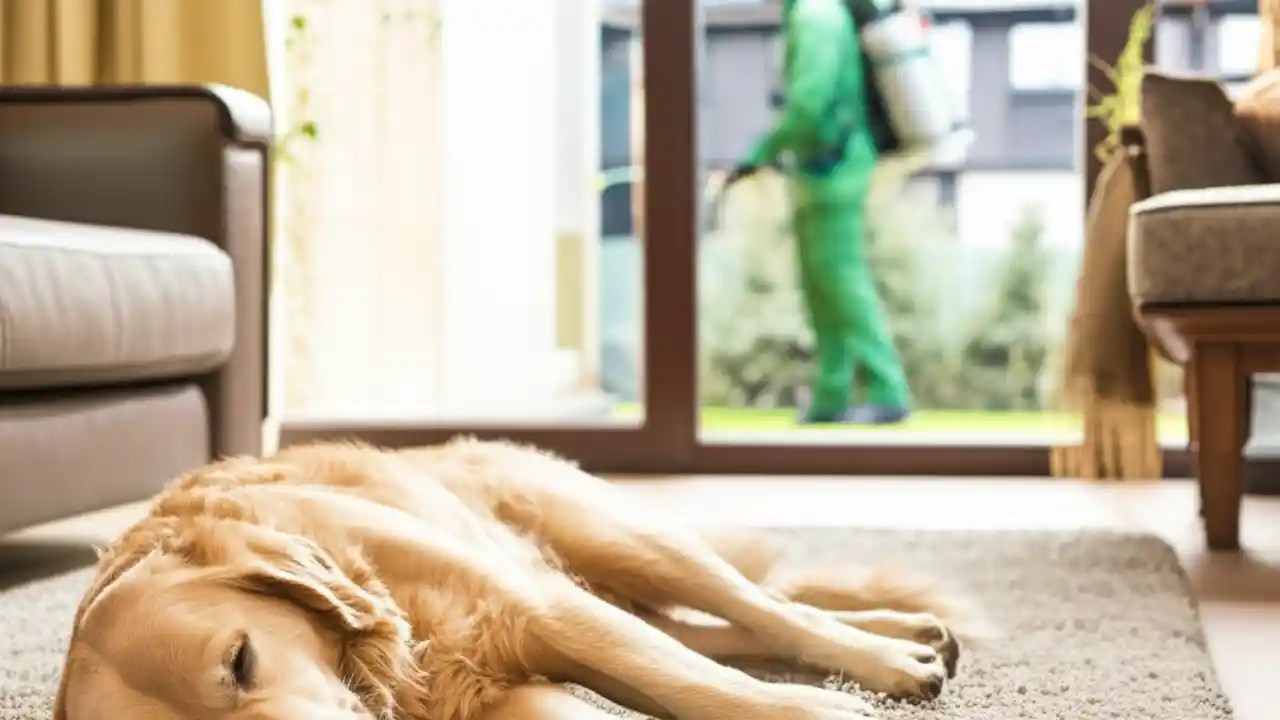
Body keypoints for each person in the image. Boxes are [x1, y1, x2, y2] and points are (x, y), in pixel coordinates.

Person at [727, 0, 911, 425]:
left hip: (835, 168)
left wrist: (760, 152)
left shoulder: (816, 15)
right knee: (820, 283)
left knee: (840, 277)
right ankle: (832, 393)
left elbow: (809, 104)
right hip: (820, 168)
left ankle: (887, 388)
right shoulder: (812, 13)